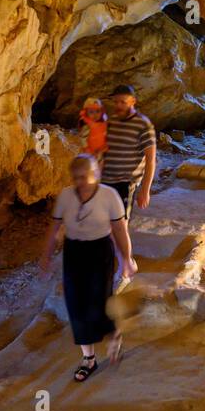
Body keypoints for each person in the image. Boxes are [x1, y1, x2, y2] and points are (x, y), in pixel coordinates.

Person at [39, 154, 134, 381]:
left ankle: (113, 334)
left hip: (99, 251)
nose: (81, 182)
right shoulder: (66, 196)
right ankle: (88, 359)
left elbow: (120, 230)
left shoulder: (109, 196)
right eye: (76, 178)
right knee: (76, 303)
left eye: (85, 177)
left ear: (96, 174)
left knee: (99, 300)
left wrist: (126, 259)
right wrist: (46, 255)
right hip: (74, 253)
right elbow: (54, 229)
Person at [101, 84, 156, 219]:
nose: (118, 106)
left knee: (121, 224)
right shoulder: (111, 121)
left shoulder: (143, 125)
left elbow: (150, 159)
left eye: (123, 102)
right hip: (105, 180)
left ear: (133, 102)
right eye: (116, 102)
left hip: (126, 183)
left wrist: (145, 190)